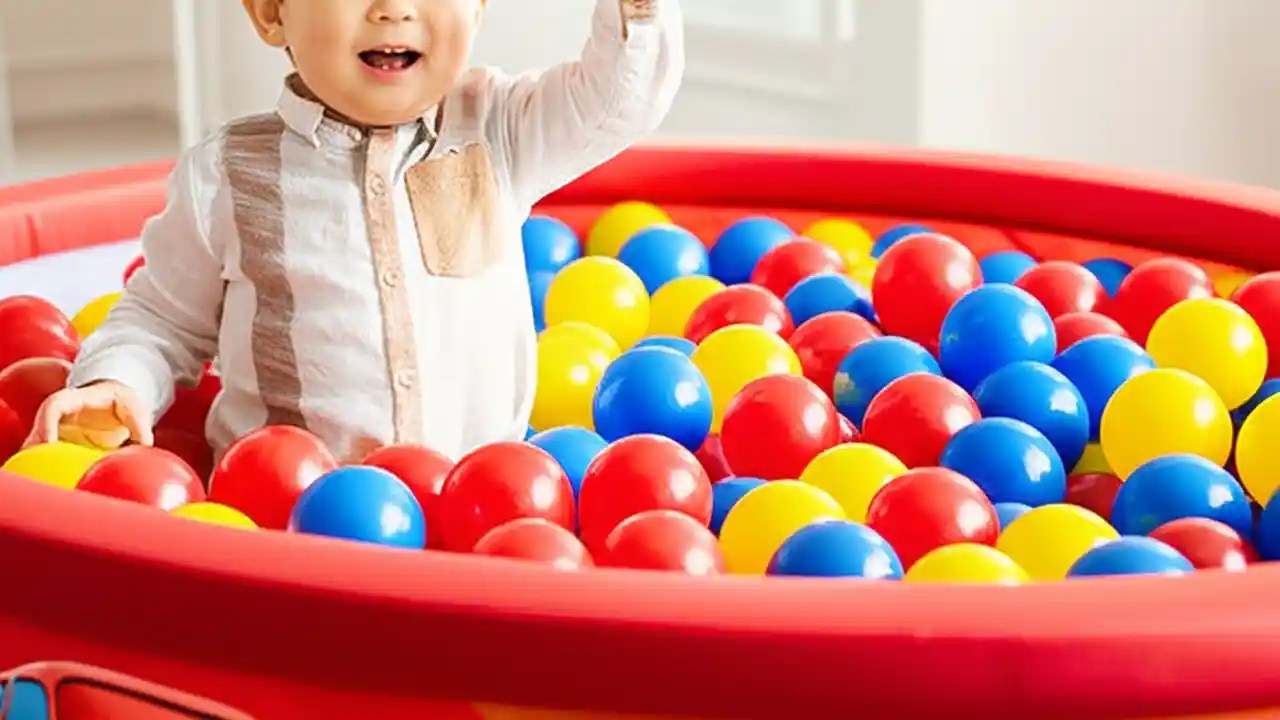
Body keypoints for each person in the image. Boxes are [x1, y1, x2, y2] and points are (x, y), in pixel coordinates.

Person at [23, 0, 684, 464]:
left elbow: (616, 102)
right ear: (271, 10)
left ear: (479, 5)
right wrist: (112, 383)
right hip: (286, 517)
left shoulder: (500, 130)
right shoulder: (229, 174)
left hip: (479, 512)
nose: (394, 7)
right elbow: (161, 320)